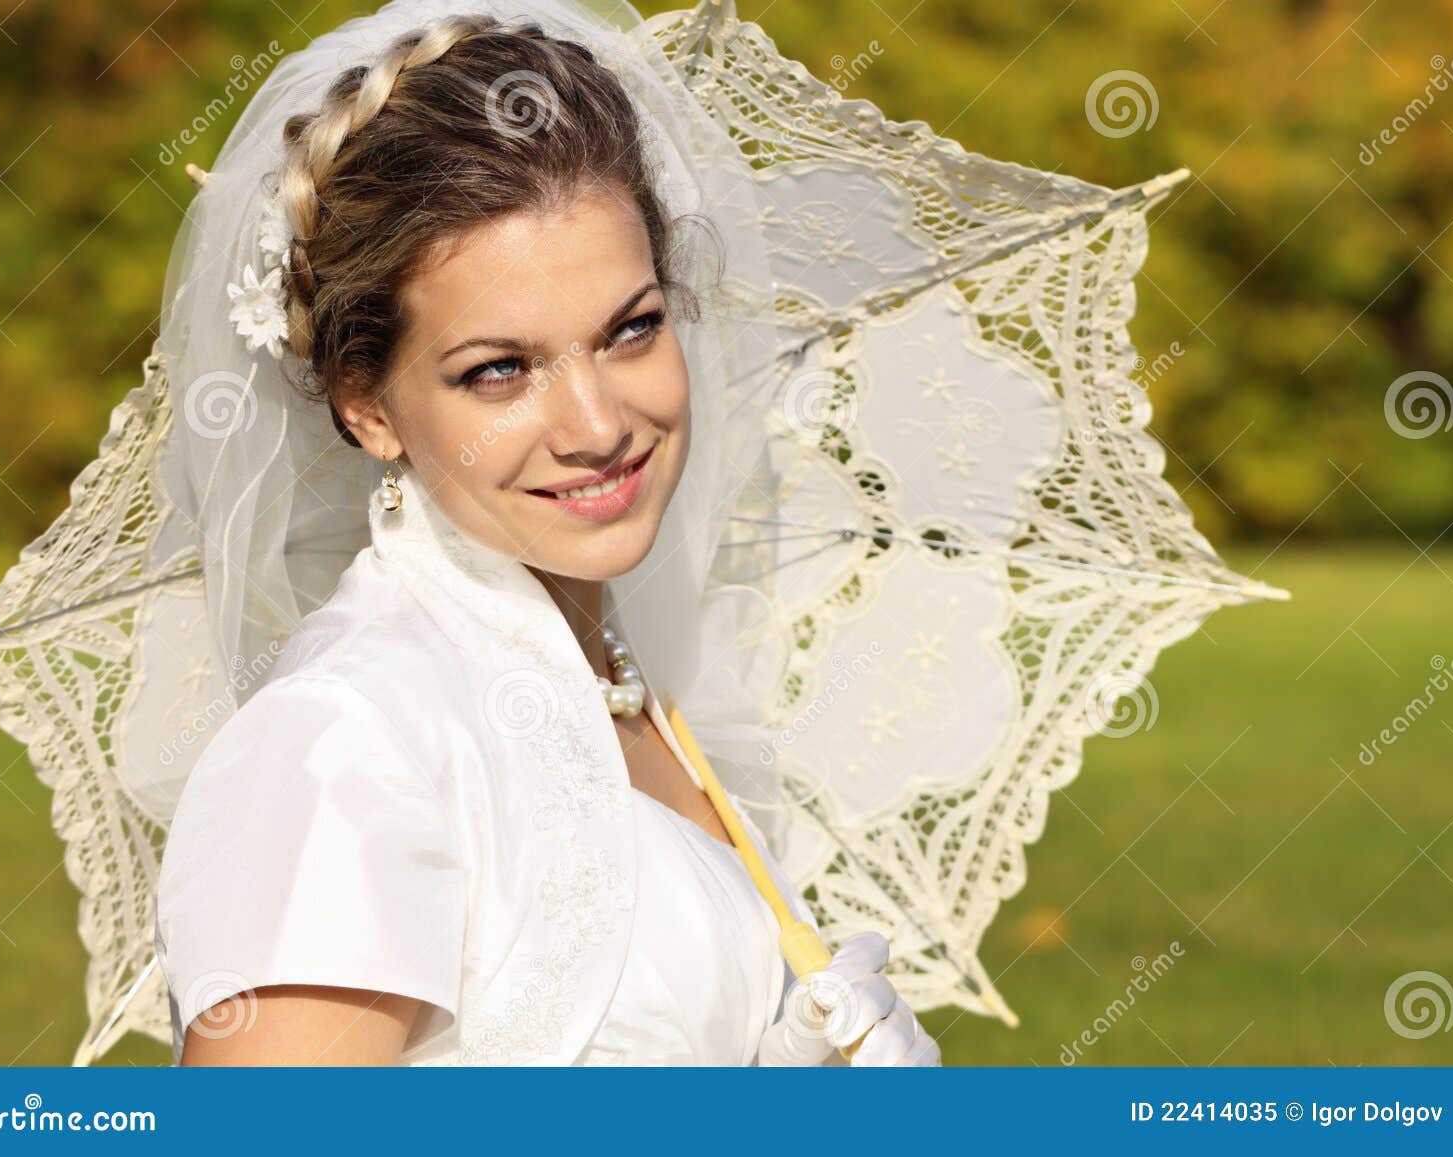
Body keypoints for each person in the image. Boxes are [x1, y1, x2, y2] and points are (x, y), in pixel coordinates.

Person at [153, 1, 941, 1067]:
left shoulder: (633, 678)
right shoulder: (345, 744)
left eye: (632, 329)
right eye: (499, 370)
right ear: (367, 404)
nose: (599, 425)